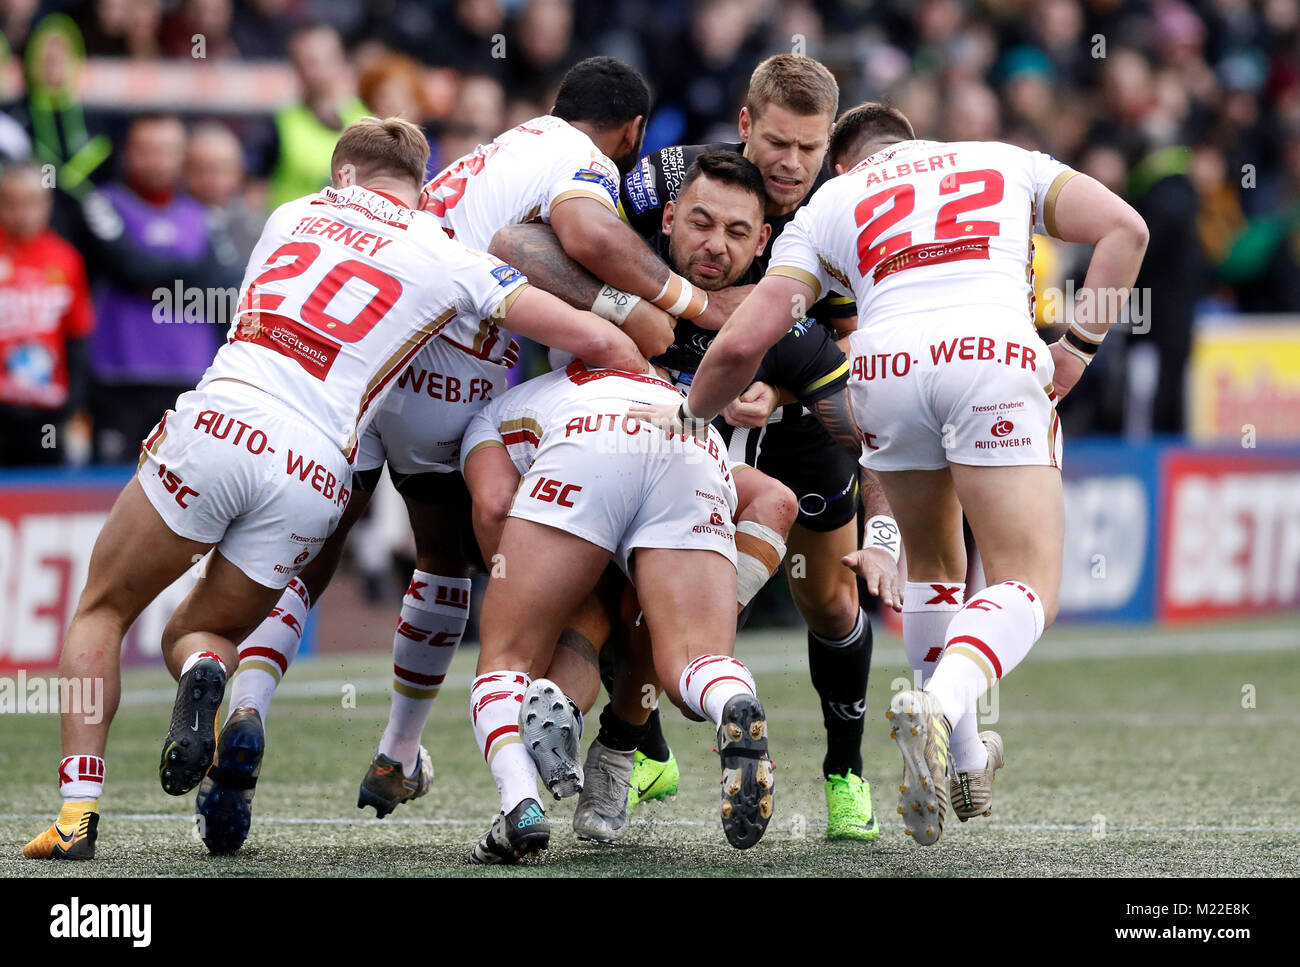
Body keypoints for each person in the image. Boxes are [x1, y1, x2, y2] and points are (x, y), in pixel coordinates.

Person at [21, 115, 645, 861]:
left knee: (103, 608)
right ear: (419, 189)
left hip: (223, 417)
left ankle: (78, 814)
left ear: (342, 174)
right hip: (315, 464)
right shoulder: (444, 253)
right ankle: (232, 677)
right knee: (207, 625)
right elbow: (596, 336)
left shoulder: (292, 212)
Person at [635, 101, 1148, 845]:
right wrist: (1081, 343)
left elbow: (746, 338)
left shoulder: (833, 202)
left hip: (883, 368)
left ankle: (967, 760)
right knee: (1026, 582)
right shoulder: (1004, 158)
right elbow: (1125, 230)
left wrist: (688, 419)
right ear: (914, 139)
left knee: (934, 564)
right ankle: (938, 708)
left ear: (842, 163)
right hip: (990, 355)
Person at [206, 57, 686, 848]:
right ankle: (397, 748)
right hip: (456, 357)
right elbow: (584, 234)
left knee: (307, 554)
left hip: (369, 350)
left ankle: (249, 705)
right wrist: (667, 307)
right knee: (439, 562)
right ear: (632, 132)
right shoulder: (586, 161)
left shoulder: (500, 148)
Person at [489, 151, 860, 844]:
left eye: (737, 233)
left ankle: (604, 748)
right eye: (700, 223)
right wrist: (647, 303)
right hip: (586, 474)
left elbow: (865, 428)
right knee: (607, 601)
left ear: (764, 244)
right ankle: (619, 738)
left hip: (679, 494)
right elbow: (511, 243)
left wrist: (891, 530)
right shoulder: (629, 261)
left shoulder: (777, 317)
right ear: (667, 219)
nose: (715, 245)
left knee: (752, 521)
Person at [617, 53, 895, 840]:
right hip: (681, 404)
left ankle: (845, 770)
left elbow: (848, 355)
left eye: (809, 149)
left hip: (801, 419)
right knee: (634, 575)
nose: (790, 163)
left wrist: (775, 379)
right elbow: (594, 242)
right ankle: (645, 745)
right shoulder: (677, 175)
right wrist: (691, 310)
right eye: (777, 141)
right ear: (745, 125)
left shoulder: (844, 213)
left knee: (831, 597)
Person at [459, 358, 774, 863]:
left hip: (585, 453)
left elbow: (495, 506)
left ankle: (522, 807)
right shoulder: (673, 393)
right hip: (690, 444)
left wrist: (529, 591)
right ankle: (728, 699)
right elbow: (777, 501)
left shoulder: (497, 409)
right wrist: (720, 605)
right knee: (691, 656)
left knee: (509, 659)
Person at [0, 160, 94, 467]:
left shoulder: (66, 258)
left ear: (47, 204)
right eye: (12, 203)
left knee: (44, 489)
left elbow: (77, 334)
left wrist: (73, 404)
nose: (23, 213)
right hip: (3, 404)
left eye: (32, 202)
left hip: (48, 410)